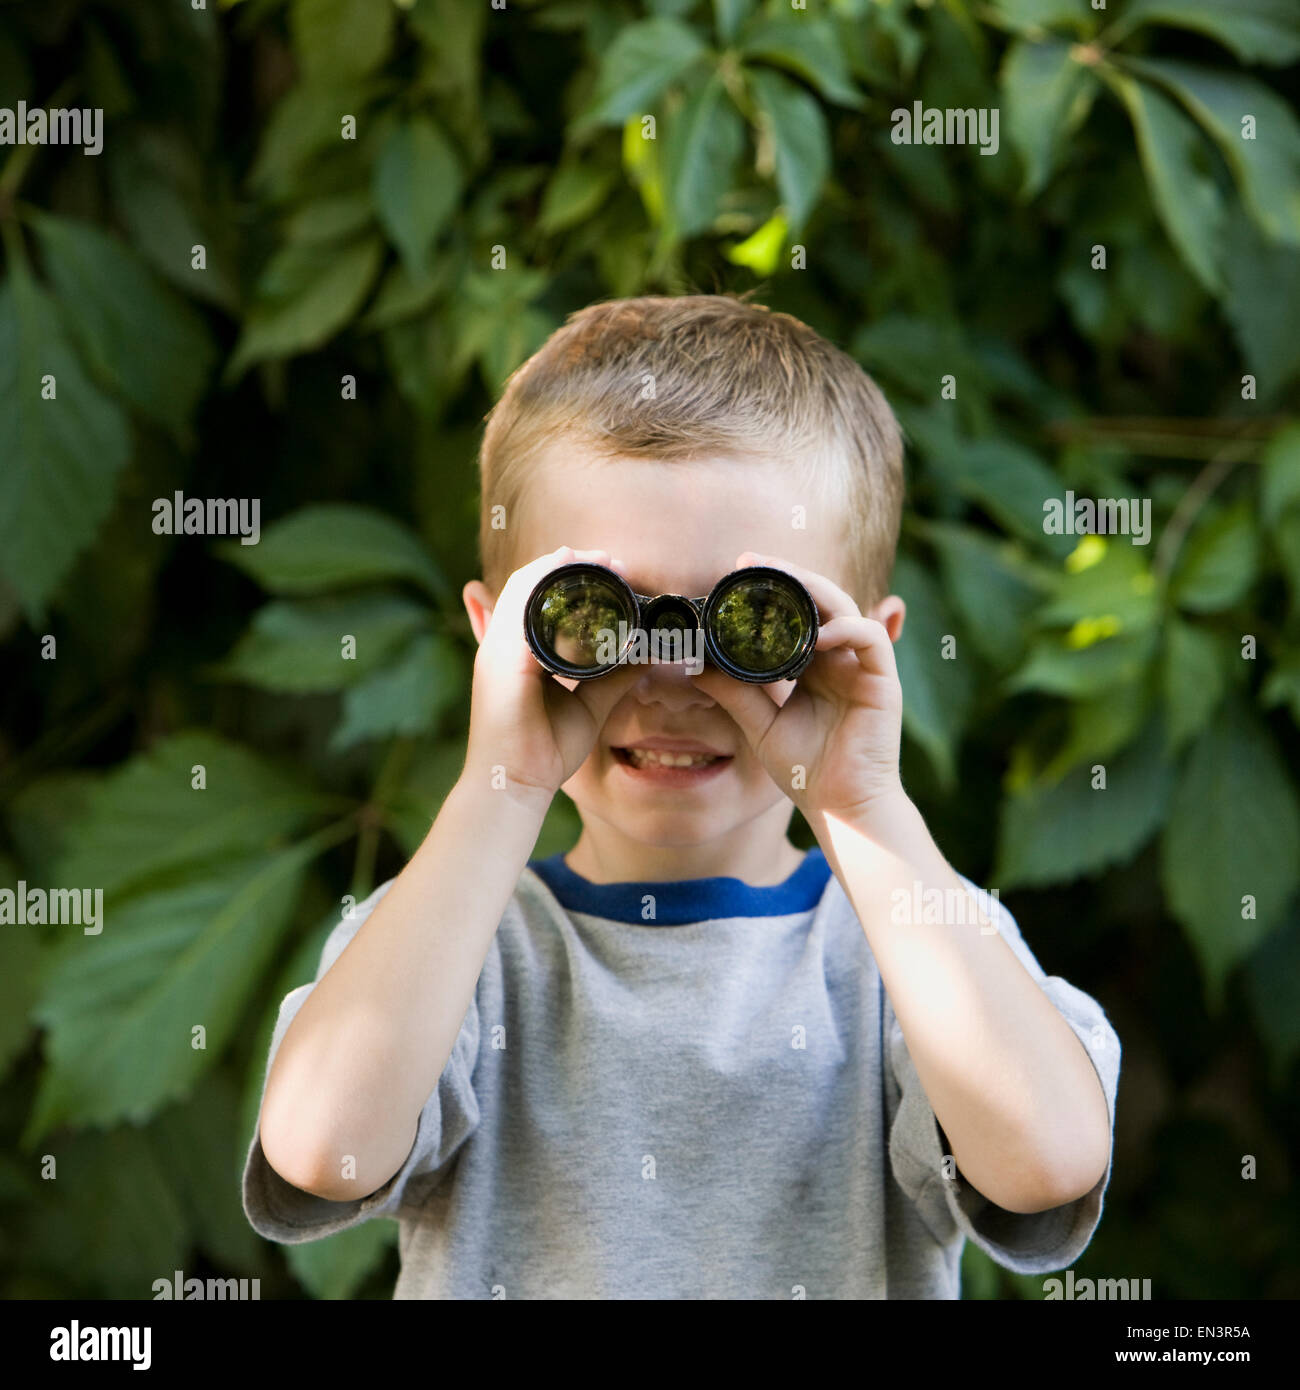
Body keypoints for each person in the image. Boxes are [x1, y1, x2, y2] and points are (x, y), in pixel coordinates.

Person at [242, 293, 1120, 1299]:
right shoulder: (459, 944)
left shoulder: (909, 949)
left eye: (750, 624)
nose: (670, 682)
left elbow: (1048, 1162)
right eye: (590, 617)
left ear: (862, 647)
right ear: (496, 639)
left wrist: (862, 805)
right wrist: (502, 783)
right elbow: (322, 1149)